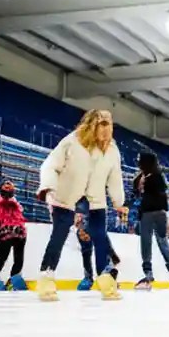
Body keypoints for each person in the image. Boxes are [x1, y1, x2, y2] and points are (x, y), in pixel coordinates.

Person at [35, 109, 128, 301]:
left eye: (109, 123)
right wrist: (48, 187)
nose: (107, 128)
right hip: (66, 193)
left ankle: (104, 278)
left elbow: (115, 177)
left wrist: (118, 202)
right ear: (91, 124)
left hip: (95, 197)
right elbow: (50, 164)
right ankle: (46, 276)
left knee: (100, 236)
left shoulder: (112, 150)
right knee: (59, 233)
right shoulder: (73, 141)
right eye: (102, 123)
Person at [132, 152, 169, 290]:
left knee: (161, 242)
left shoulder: (157, 177)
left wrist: (167, 216)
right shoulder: (141, 177)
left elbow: (162, 195)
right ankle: (149, 273)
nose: (138, 163)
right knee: (146, 243)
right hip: (147, 213)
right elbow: (136, 194)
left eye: (140, 160)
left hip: (157, 214)